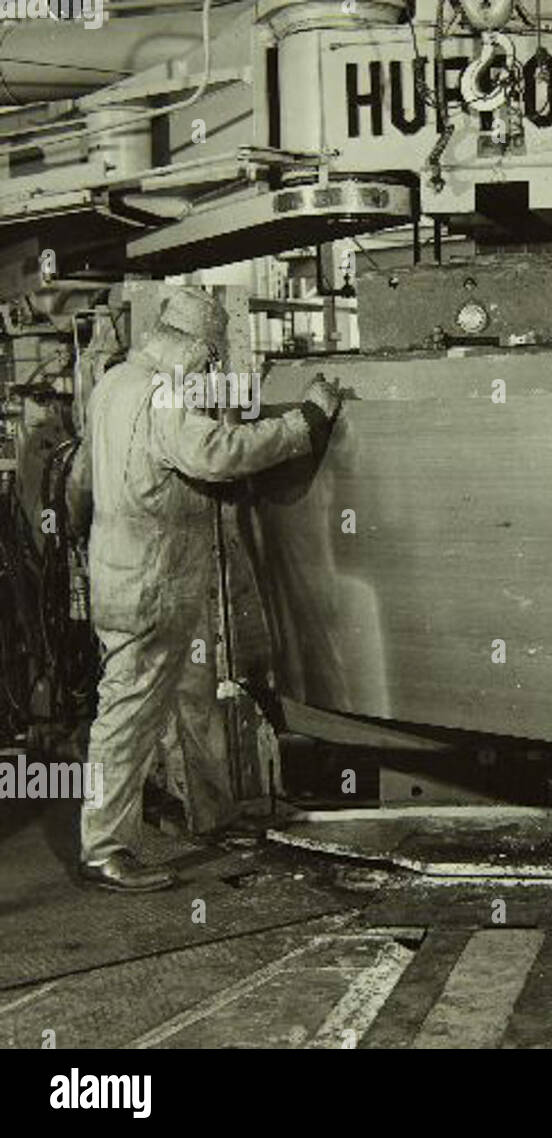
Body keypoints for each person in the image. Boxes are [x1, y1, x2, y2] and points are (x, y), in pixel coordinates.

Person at [66, 286, 342, 892]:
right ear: (191, 346)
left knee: (193, 697)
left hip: (130, 569)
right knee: (129, 713)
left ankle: (213, 817)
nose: (205, 372)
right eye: (208, 359)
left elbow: (91, 478)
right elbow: (214, 454)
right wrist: (306, 423)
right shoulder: (162, 394)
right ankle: (103, 848)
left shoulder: (114, 384)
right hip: (150, 581)